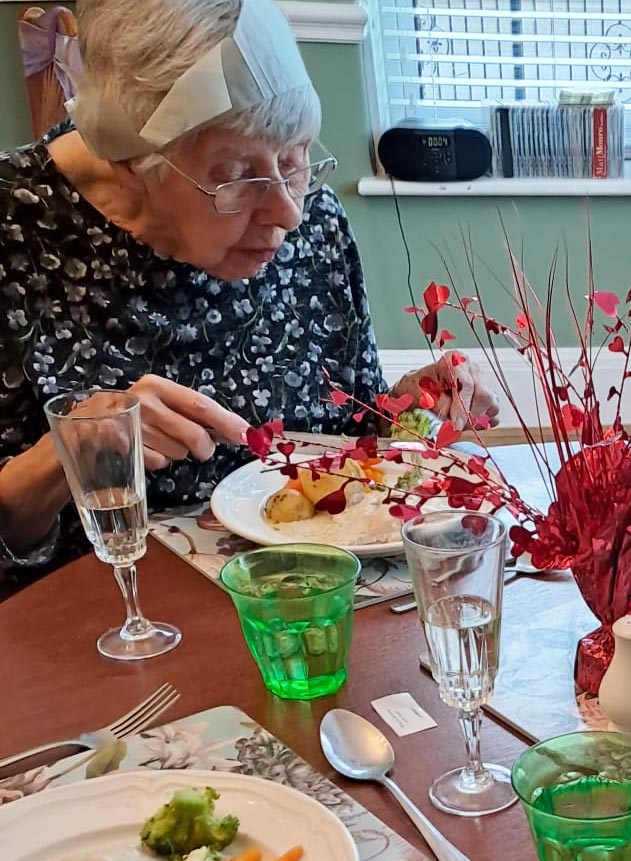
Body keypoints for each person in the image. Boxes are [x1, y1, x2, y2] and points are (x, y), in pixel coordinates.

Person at [0, 0, 497, 589]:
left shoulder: (314, 218)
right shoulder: (15, 228)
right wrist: (70, 450)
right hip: (112, 618)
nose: (288, 213)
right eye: (237, 175)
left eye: (296, 157)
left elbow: (350, 433)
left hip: (313, 599)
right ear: (133, 165)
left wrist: (407, 407)